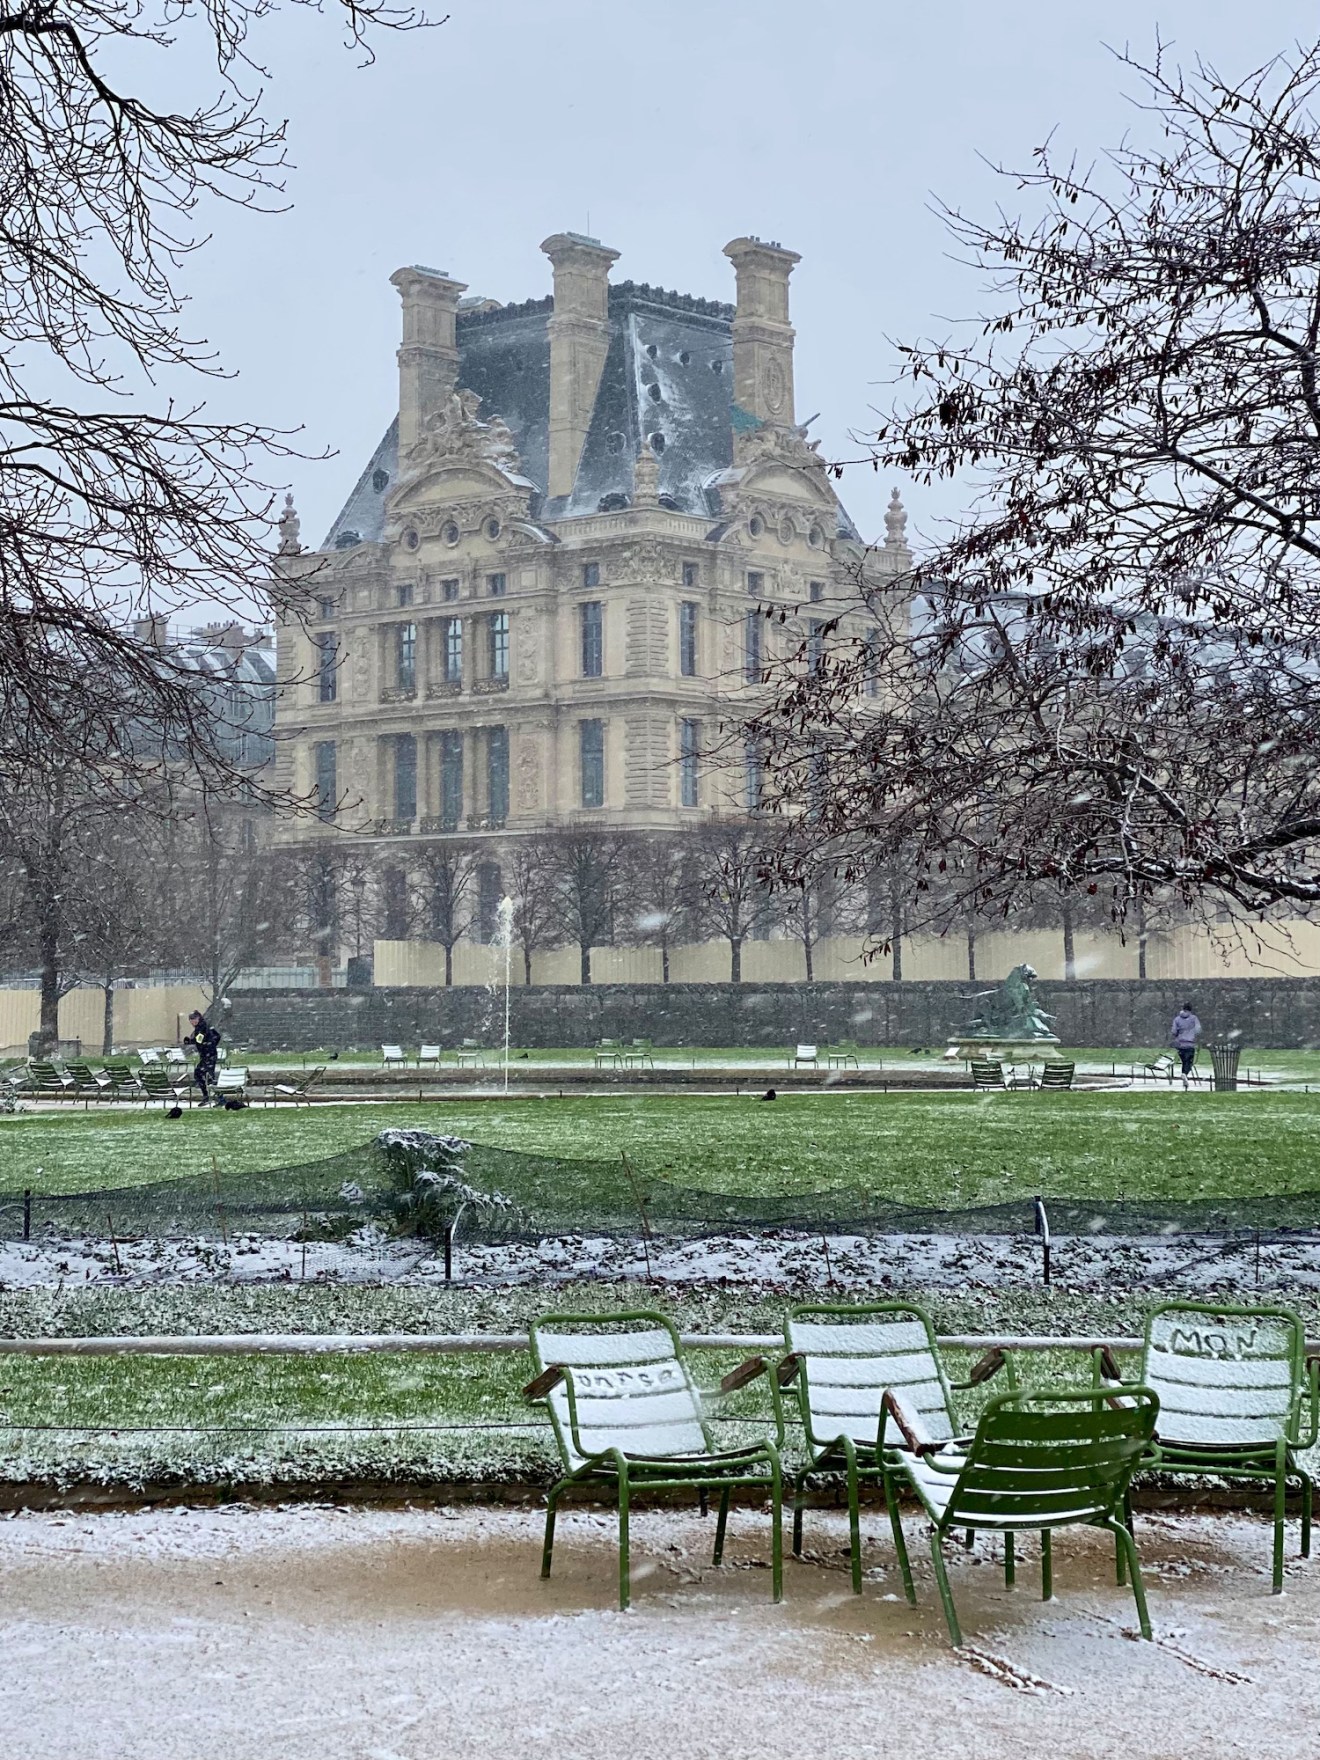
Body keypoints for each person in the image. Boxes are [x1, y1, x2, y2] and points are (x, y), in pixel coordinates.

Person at [184, 1009, 221, 1103]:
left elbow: (199, 1040)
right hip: (209, 1055)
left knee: (199, 1074)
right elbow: (217, 1036)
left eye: (194, 1019)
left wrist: (190, 1041)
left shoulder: (201, 1027)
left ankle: (208, 1097)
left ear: (199, 1018)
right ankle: (218, 1099)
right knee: (208, 1077)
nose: (193, 1021)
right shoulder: (205, 1026)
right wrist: (211, 1045)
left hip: (208, 1056)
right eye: (191, 1020)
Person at [1170, 1002, 1202, 1084]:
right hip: (1190, 1044)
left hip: (1180, 1044)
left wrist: (1179, 1035)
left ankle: (1184, 1076)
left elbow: (1174, 1031)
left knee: (1184, 1062)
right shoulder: (1194, 1018)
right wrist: (1193, 1034)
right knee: (1189, 1062)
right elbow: (1198, 1030)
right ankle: (1184, 1074)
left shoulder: (1177, 1019)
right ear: (1190, 1009)